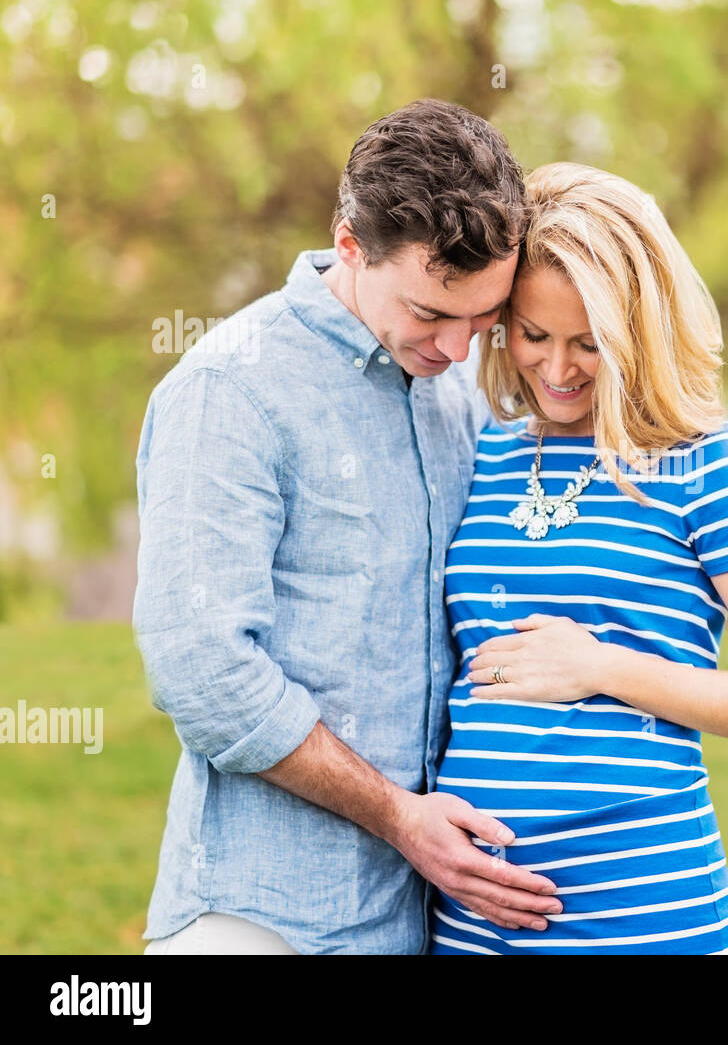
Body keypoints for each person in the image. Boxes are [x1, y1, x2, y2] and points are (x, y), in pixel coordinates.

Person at [133, 99, 564, 954]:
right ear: (351, 245)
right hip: (256, 920)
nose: (455, 347)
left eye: (483, 320)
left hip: (411, 920)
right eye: (431, 314)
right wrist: (399, 818)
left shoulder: (451, 395)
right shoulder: (231, 388)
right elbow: (203, 671)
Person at [430, 162, 728, 954]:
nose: (556, 370)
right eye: (534, 336)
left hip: (641, 920)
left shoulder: (709, 467)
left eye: (590, 343)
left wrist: (603, 668)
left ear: (638, 329)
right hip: (474, 921)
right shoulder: (484, 454)